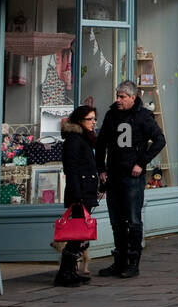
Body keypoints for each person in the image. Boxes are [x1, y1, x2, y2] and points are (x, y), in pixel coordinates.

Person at [95, 80, 166, 279]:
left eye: (122, 97)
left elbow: (159, 140)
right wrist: (101, 168)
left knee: (133, 220)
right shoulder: (112, 115)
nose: (118, 100)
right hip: (114, 175)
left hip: (132, 176)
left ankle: (133, 263)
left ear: (132, 98)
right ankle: (119, 261)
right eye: (117, 96)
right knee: (116, 221)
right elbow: (101, 144)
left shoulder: (143, 116)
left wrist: (141, 163)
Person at [55, 104, 99, 287]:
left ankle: (70, 270)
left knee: (80, 235)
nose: (93, 122)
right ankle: (65, 273)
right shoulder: (74, 140)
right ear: (80, 121)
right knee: (76, 235)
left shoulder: (84, 138)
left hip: (86, 190)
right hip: (79, 192)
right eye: (90, 119)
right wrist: (77, 195)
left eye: (94, 119)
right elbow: (71, 169)